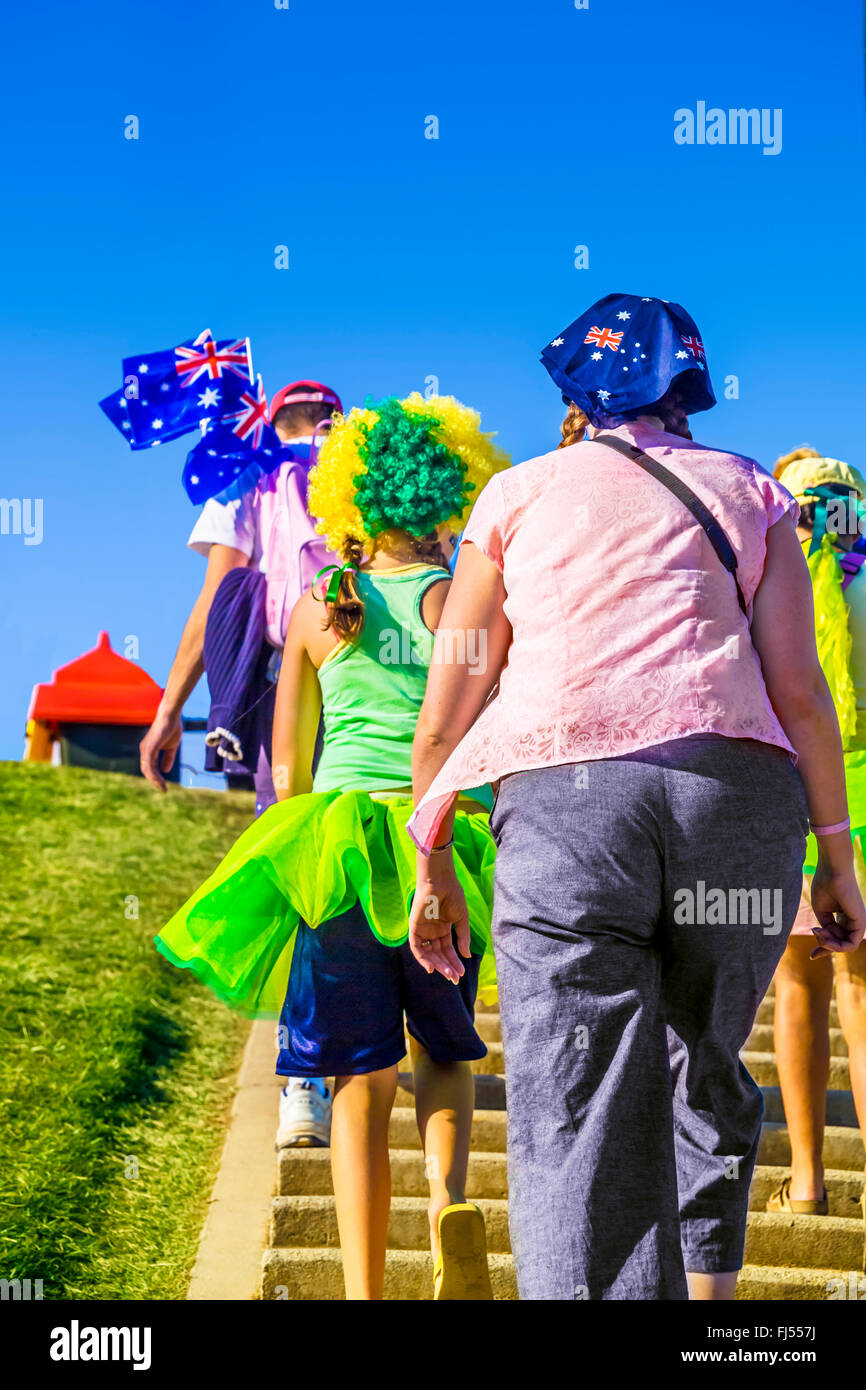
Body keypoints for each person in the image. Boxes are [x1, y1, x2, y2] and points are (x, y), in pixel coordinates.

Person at [406, 292, 866, 1301]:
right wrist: (834, 855)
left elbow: (450, 701)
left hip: (570, 806)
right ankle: (706, 1307)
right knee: (701, 1059)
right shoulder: (750, 492)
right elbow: (799, 689)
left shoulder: (515, 496)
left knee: (575, 1097)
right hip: (735, 803)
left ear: (571, 387)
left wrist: (430, 860)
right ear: (689, 388)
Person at [155, 393, 510, 1299]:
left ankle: (363, 1287)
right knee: (445, 1045)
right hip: (439, 844)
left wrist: (298, 832)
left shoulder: (320, 607)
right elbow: (494, 729)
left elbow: (286, 757)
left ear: (347, 502)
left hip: (340, 842)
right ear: (447, 495)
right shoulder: (459, 603)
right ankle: (446, 1208)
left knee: (358, 1071)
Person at [141, 379, 342, 1150]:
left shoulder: (247, 477)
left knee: (297, 868)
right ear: (336, 419)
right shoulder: (359, 473)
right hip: (360, 684)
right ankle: (361, 1061)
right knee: (365, 866)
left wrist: (172, 708)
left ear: (267, 418)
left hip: (280, 693)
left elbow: (216, 601)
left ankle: (305, 1081)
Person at [765, 448, 866, 1258]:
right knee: (863, 1001)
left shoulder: (774, 594)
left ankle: (805, 1180)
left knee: (795, 989)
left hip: (794, 813)